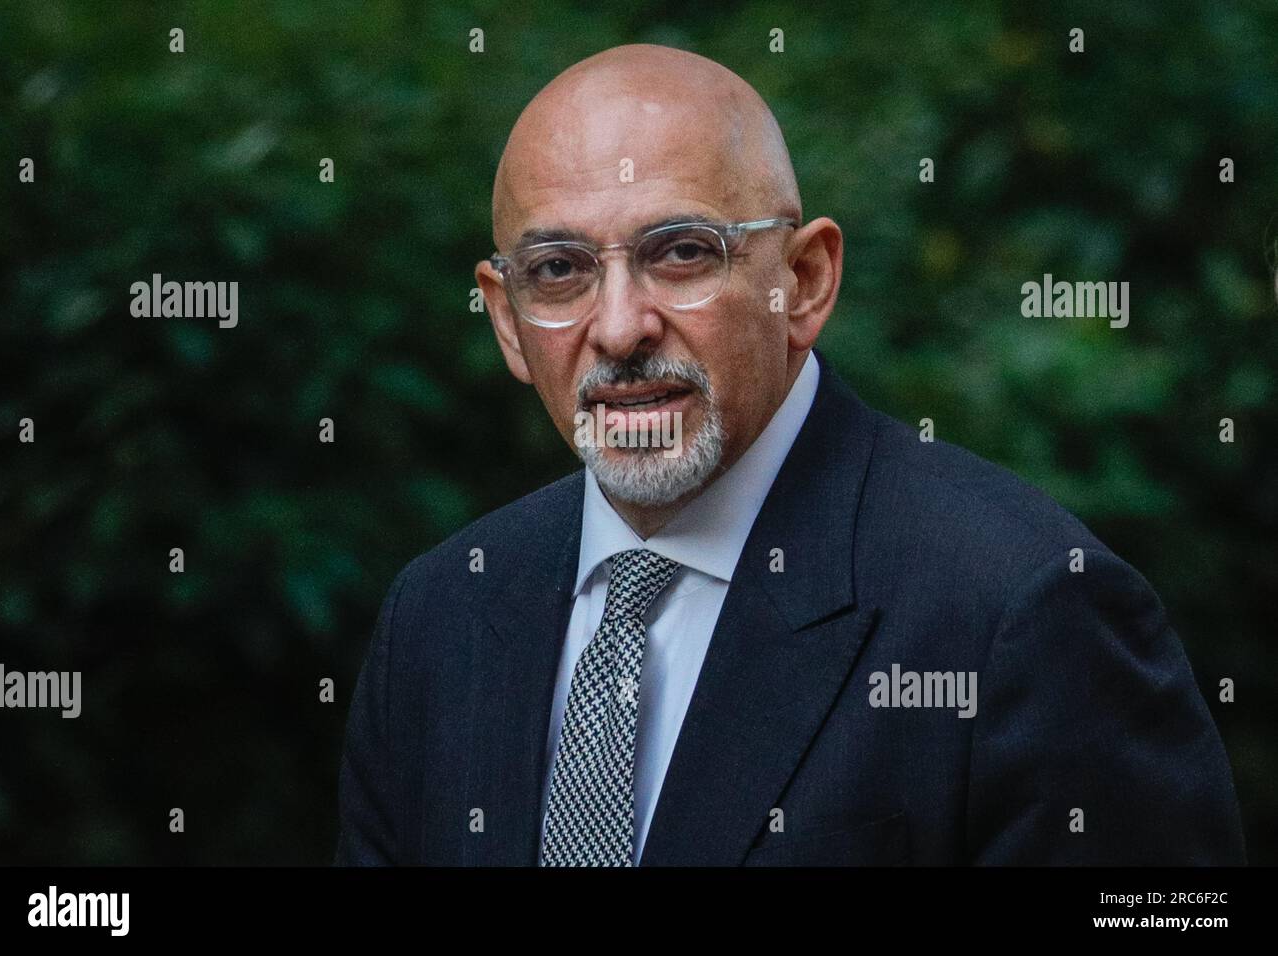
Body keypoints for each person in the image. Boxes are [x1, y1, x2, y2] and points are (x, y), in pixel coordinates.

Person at [334, 44, 1245, 866]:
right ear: (505, 318)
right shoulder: (442, 613)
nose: (619, 328)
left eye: (682, 252)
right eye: (560, 271)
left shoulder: (1021, 611)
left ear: (803, 282)